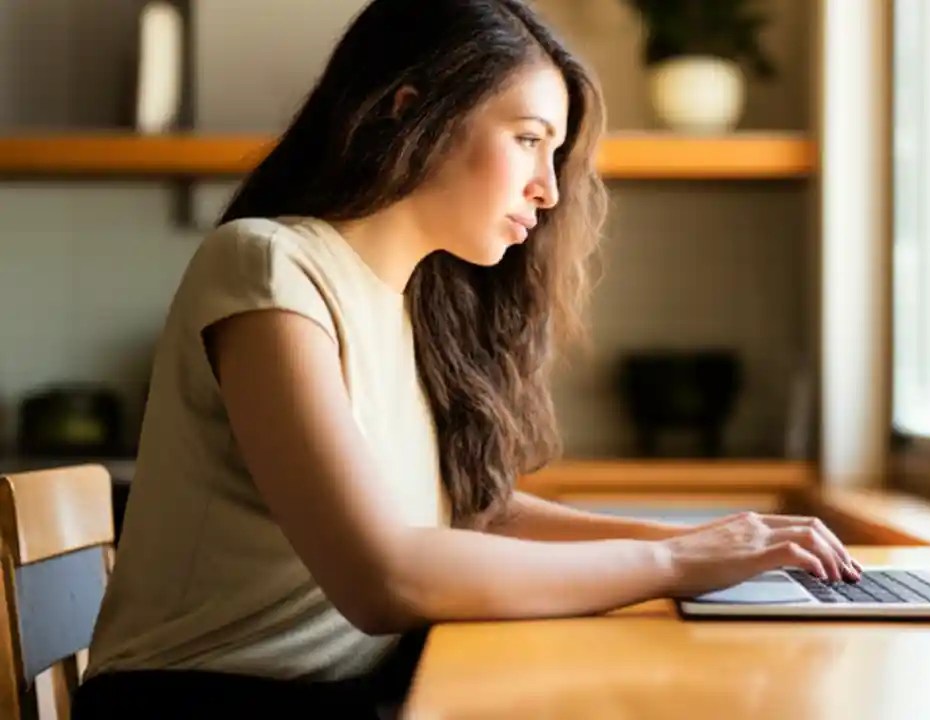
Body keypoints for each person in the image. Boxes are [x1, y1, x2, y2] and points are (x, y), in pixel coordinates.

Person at [72, 0, 862, 716]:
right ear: (412, 114)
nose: (548, 190)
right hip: (202, 702)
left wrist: (720, 546)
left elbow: (477, 516)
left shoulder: (418, 304)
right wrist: (672, 558)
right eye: (527, 141)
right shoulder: (268, 265)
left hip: (353, 689)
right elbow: (387, 580)